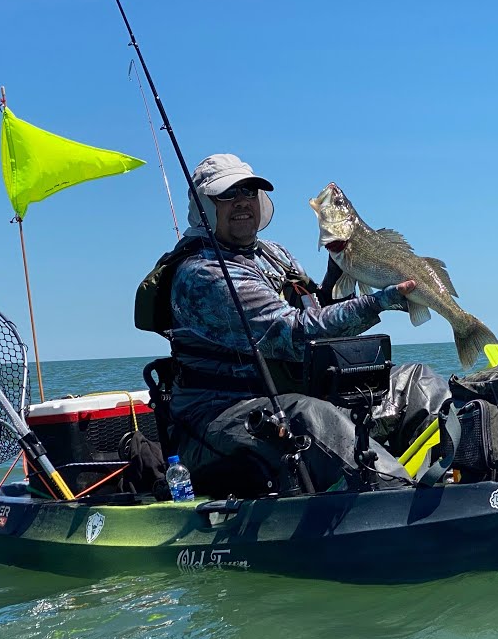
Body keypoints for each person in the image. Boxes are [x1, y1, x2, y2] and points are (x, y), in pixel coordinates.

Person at [141, 153, 450, 499]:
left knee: (417, 383)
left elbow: (318, 312)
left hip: (297, 394)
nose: (242, 201)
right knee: (311, 417)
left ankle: (455, 482)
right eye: (227, 194)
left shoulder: (275, 254)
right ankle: (400, 503)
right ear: (203, 207)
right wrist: (380, 301)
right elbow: (295, 335)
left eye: (249, 191)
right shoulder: (202, 274)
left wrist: (339, 270)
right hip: (219, 420)